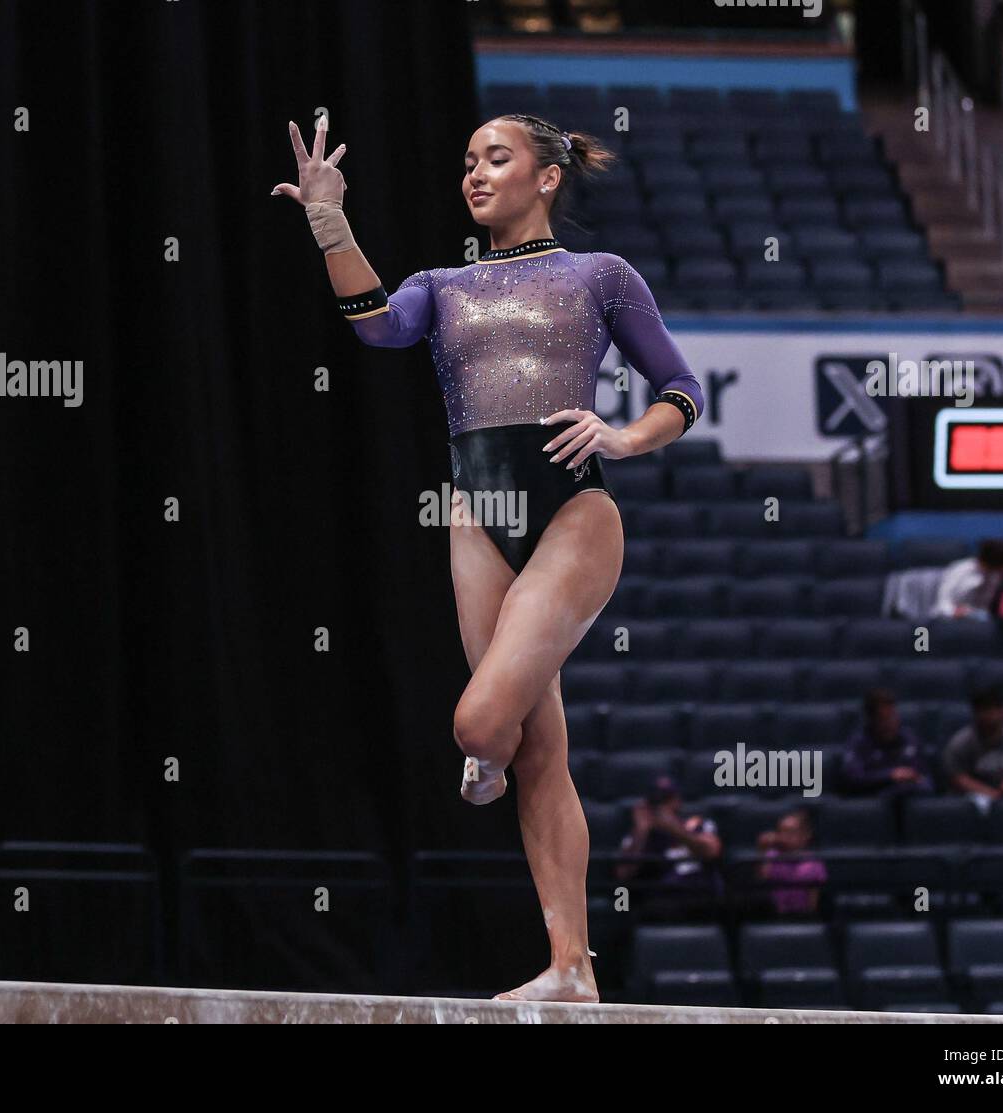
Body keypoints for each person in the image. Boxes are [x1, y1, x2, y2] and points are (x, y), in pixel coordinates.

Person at [275, 113, 703, 1002]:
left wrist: (620, 438)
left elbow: (682, 389)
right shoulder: (443, 284)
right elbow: (377, 326)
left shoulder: (600, 277)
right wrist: (328, 220)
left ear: (547, 177)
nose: (475, 174)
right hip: (477, 515)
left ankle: (490, 750)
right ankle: (571, 969)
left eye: (496, 159)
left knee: (479, 726)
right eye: (467, 160)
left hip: (575, 513)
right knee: (538, 751)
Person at [616, 777, 723, 917]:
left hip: (699, 895)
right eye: (656, 803)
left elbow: (711, 851)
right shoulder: (638, 835)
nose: (661, 808)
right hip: (659, 900)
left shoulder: (698, 825)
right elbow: (623, 875)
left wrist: (672, 828)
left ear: (677, 800)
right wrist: (642, 831)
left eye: (667, 799)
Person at [942, 688, 1003, 803]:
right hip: (971, 803)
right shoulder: (960, 743)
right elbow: (956, 778)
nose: (990, 716)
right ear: (975, 713)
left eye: (994, 710)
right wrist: (990, 793)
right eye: (984, 710)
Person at [840, 688, 933, 797]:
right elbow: (853, 779)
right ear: (871, 720)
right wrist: (890, 775)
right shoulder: (858, 743)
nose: (890, 723)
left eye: (893, 716)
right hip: (874, 802)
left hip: (910, 798)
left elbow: (924, 777)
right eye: (883, 719)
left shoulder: (909, 738)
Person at [756, 810, 826, 917]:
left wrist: (810, 919)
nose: (784, 836)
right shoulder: (771, 856)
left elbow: (813, 901)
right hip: (773, 915)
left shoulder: (813, 862)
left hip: (803, 916)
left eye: (790, 832)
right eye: (781, 831)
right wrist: (762, 850)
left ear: (806, 835)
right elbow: (761, 880)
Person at [930, 539, 1003, 619]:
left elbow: (986, 607)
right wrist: (952, 611)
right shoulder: (961, 570)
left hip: (978, 621)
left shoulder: (995, 577)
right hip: (948, 618)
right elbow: (942, 601)